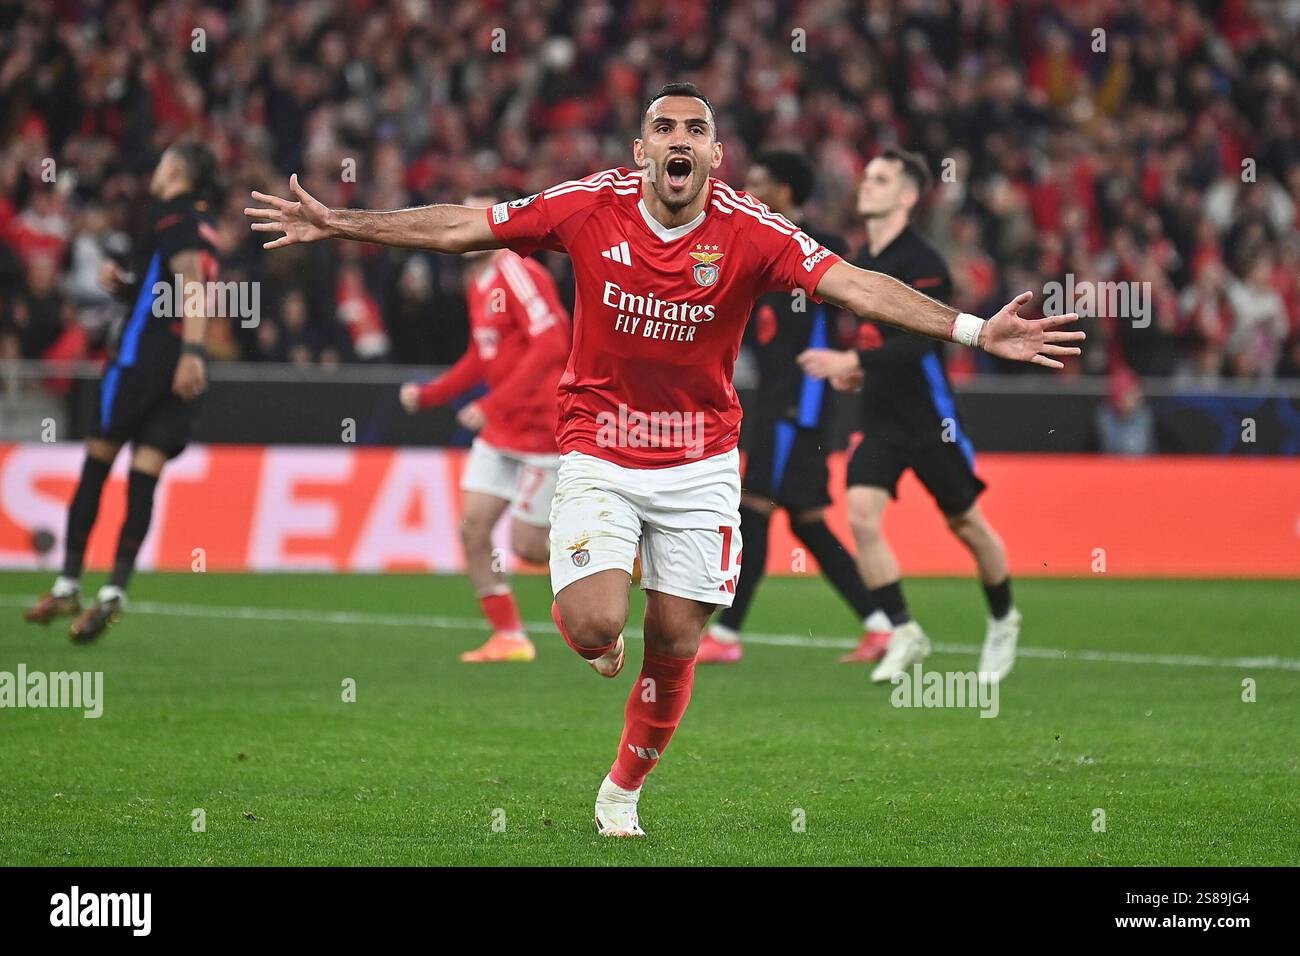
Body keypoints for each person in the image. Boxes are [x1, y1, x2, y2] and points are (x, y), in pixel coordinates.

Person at [245, 83, 1081, 836]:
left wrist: (974, 330)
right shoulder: (586, 206)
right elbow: (467, 224)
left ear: (714, 156)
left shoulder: (752, 230)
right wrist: (337, 221)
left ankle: (622, 791)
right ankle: (596, 611)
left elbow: (857, 284)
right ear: (641, 151)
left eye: (697, 129)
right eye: (663, 127)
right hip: (600, 447)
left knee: (676, 639)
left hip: (701, 461)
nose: (680, 139)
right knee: (596, 625)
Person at [798, 148, 1023, 685]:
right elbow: (876, 338)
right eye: (866, 176)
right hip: (878, 419)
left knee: (966, 523)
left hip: (929, 418)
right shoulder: (855, 262)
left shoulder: (923, 262)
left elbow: (923, 345)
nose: (865, 186)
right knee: (859, 514)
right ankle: (903, 630)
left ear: (907, 196)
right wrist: (859, 370)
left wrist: (854, 360)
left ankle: (1002, 617)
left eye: (880, 179)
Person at [697, 151, 889, 665]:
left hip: (795, 406)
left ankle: (728, 634)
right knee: (806, 520)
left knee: (753, 508)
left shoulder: (822, 249)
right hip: (776, 402)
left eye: (761, 180)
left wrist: (856, 357)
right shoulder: (754, 247)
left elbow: (863, 307)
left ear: (787, 190)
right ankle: (880, 625)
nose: (751, 188)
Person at [24, 142, 218, 641]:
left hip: (141, 365)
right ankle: (114, 591)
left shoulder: (171, 215)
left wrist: (192, 350)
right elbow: (176, 290)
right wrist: (129, 286)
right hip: (179, 374)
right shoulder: (205, 224)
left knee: (96, 467)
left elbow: (190, 285)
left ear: (175, 169)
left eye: (161, 162)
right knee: (144, 477)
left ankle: (68, 582)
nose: (155, 171)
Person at [399, 195, 571, 663]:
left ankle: (616, 551)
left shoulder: (517, 269)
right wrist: (431, 394)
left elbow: (555, 339)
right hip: (502, 431)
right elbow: (482, 356)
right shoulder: (478, 283)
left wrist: (495, 401)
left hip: (541, 432)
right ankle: (510, 636)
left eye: (476, 213)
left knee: (529, 547)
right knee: (473, 529)